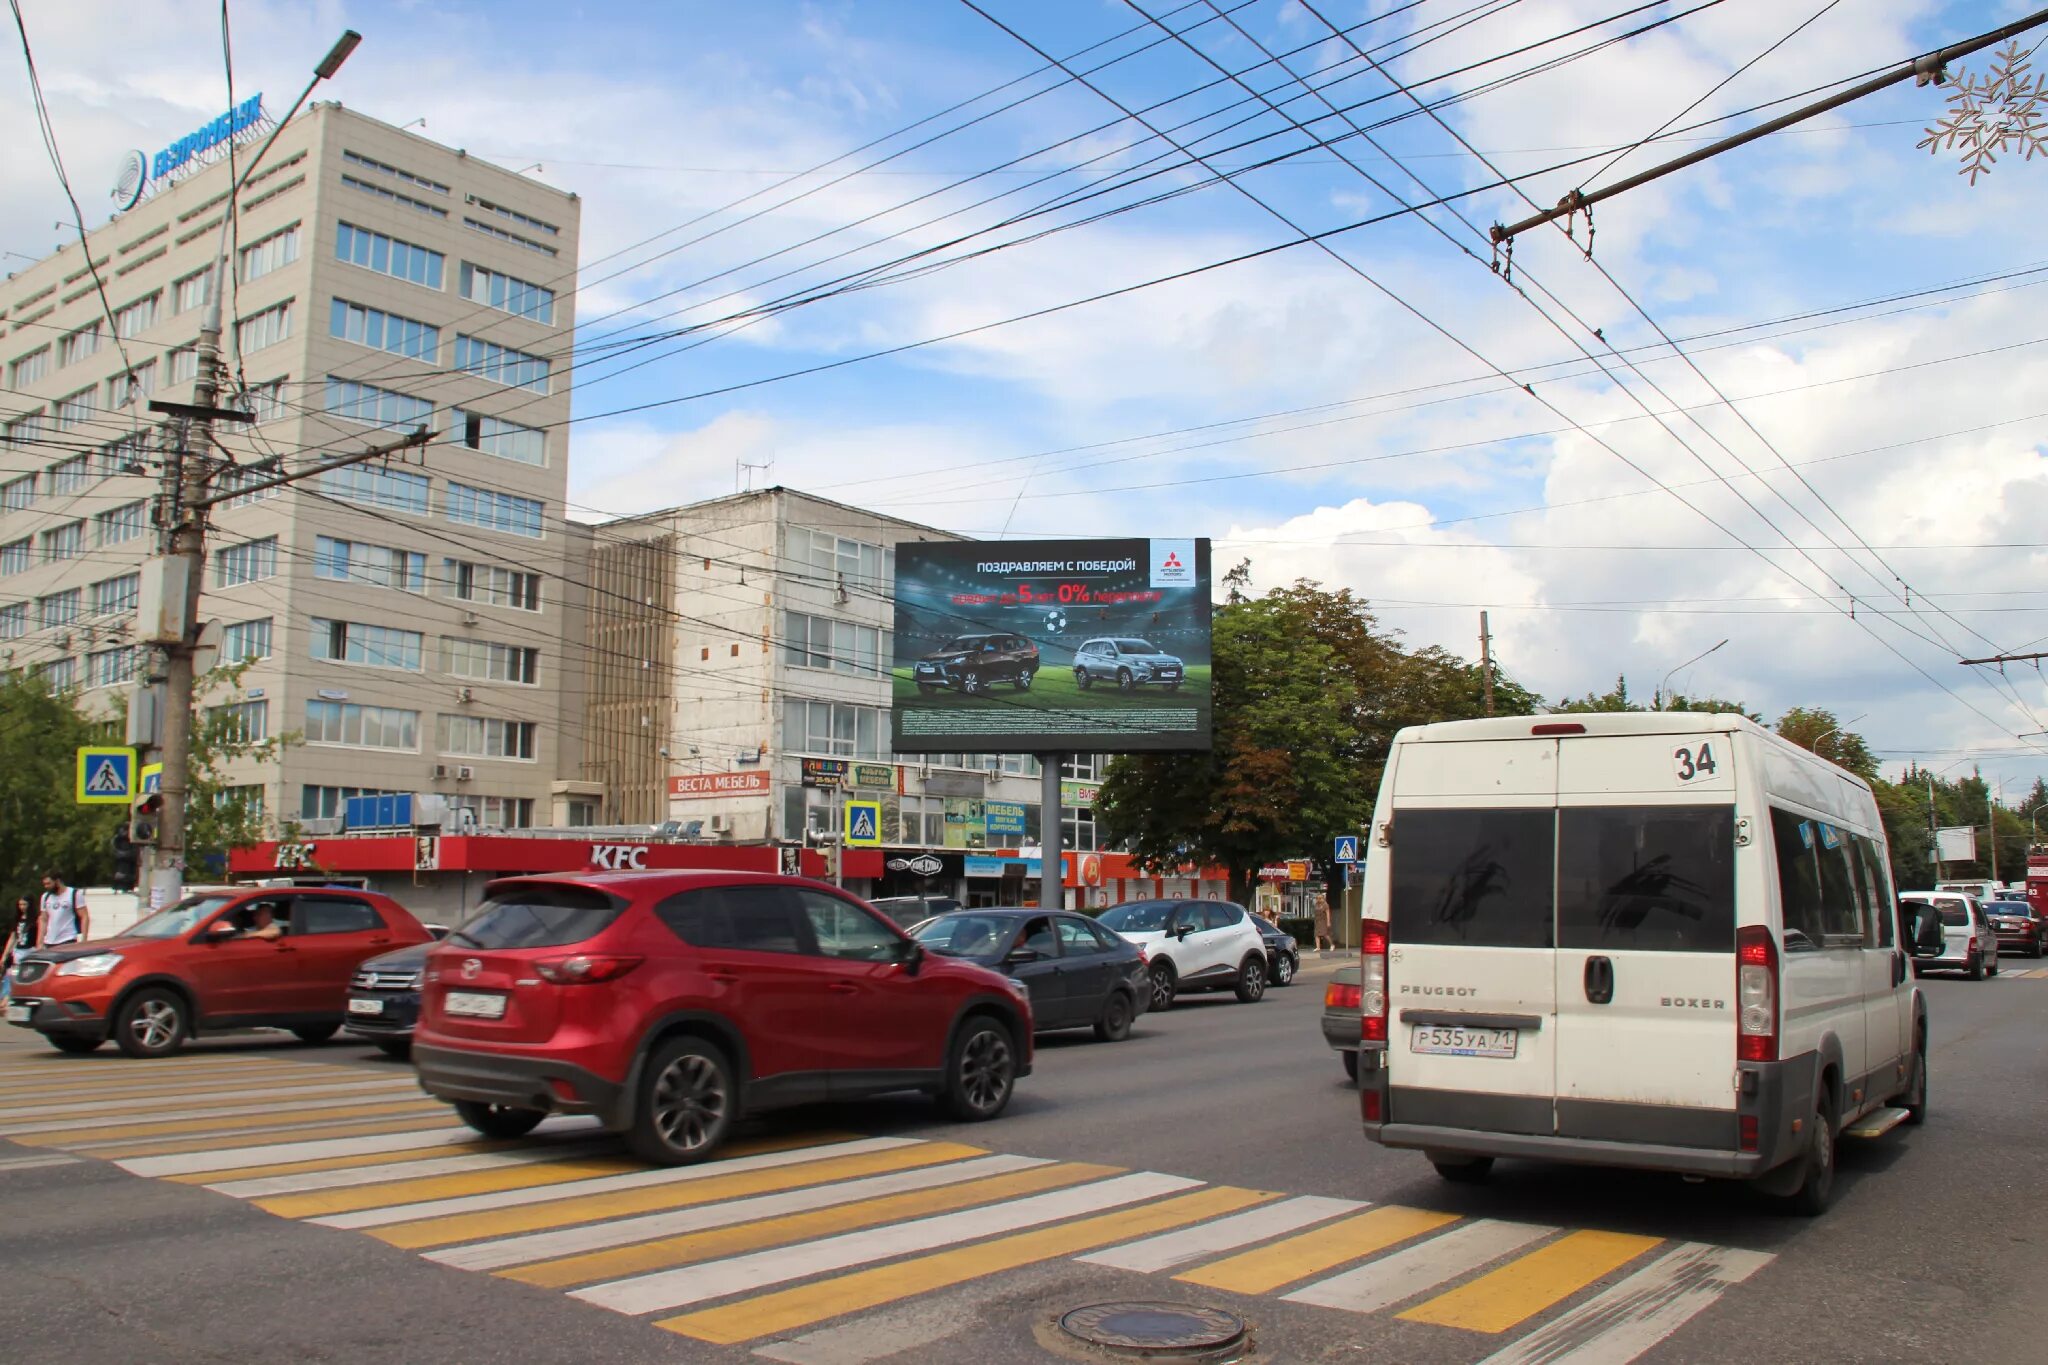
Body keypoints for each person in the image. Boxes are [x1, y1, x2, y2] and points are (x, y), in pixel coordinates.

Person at [38, 873, 88, 948]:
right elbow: (43, 919)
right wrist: (40, 942)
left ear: (57, 881)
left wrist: (84, 939)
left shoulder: (74, 894)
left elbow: (84, 916)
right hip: (49, 941)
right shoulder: (45, 897)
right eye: (45, 884)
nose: (46, 886)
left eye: (49, 883)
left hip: (68, 939)